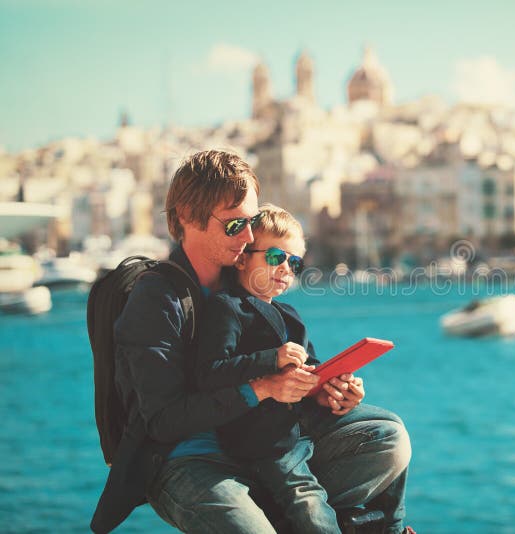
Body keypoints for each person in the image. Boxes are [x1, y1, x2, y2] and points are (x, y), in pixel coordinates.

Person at [91, 150, 412, 534]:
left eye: (251, 222)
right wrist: (260, 389)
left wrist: (323, 390)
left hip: (268, 442)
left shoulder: (247, 280)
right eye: (234, 225)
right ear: (187, 217)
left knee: (389, 437)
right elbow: (163, 422)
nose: (247, 237)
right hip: (189, 460)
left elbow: (293, 364)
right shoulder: (157, 301)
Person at [195, 203, 377, 533]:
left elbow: (313, 368)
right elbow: (210, 372)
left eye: (294, 262)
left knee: (385, 439)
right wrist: (271, 360)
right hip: (263, 442)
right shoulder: (227, 308)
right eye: (276, 257)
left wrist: (338, 388)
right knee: (309, 503)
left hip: (299, 432)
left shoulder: (289, 314)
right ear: (243, 258)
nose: (286, 269)